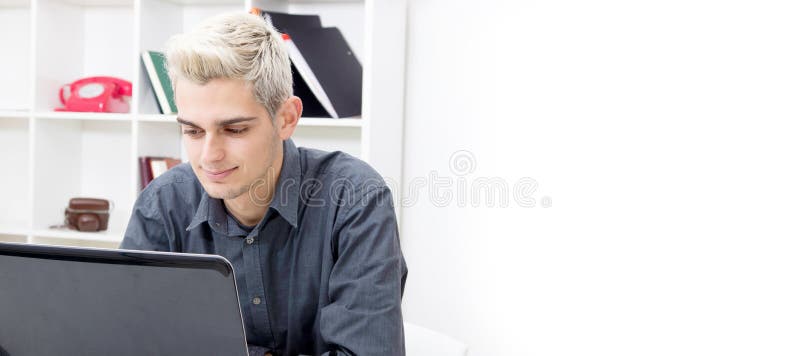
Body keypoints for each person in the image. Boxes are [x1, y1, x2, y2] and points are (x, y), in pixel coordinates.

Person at [120, 12, 407, 356]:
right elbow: (129, 339)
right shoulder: (162, 203)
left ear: (286, 118)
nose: (209, 156)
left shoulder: (356, 200)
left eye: (234, 129)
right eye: (193, 131)